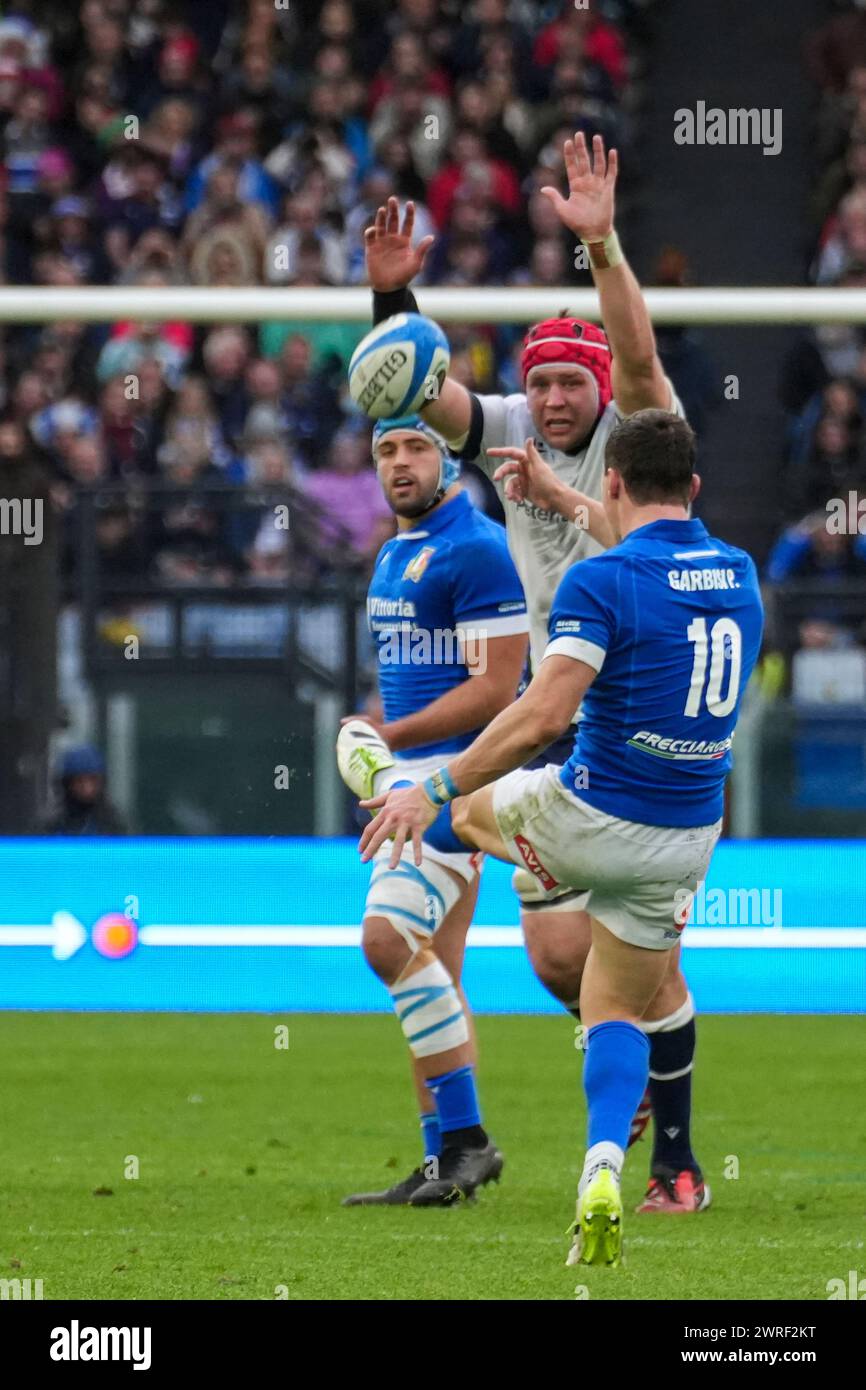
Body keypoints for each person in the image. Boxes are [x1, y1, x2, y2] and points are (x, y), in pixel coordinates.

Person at [362, 130, 707, 1212]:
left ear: (599, 389)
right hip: (562, 719)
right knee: (561, 960)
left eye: (569, 381)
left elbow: (643, 359)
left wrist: (600, 245)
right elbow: (419, 391)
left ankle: (673, 1158)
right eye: (540, 382)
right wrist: (393, 300)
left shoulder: (639, 442)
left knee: (635, 968)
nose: (551, 399)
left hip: (639, 711)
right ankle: (600, 1073)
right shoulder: (506, 424)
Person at [355, 410, 764, 1260]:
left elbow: (542, 715)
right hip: (687, 836)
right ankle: (606, 1169)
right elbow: (654, 546)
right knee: (616, 1008)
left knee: (469, 811)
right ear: (692, 489)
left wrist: (427, 788)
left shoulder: (600, 583)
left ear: (611, 480)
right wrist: (555, 497)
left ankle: (493, 847)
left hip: (591, 816)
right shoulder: (739, 573)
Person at [336, 414, 528, 1205]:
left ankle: (470, 1139)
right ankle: (443, 1162)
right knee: (436, 975)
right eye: (386, 450)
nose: (401, 462)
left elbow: (497, 689)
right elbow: (411, 678)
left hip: (458, 782)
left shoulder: (477, 548)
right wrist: (379, 758)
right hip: (405, 782)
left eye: (417, 447)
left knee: (386, 940)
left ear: (449, 459)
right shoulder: (393, 551)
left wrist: (389, 732)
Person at [37, 745, 129, 836]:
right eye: (80, 781)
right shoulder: (52, 824)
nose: (87, 788)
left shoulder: (114, 823)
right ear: (67, 784)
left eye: (93, 781)